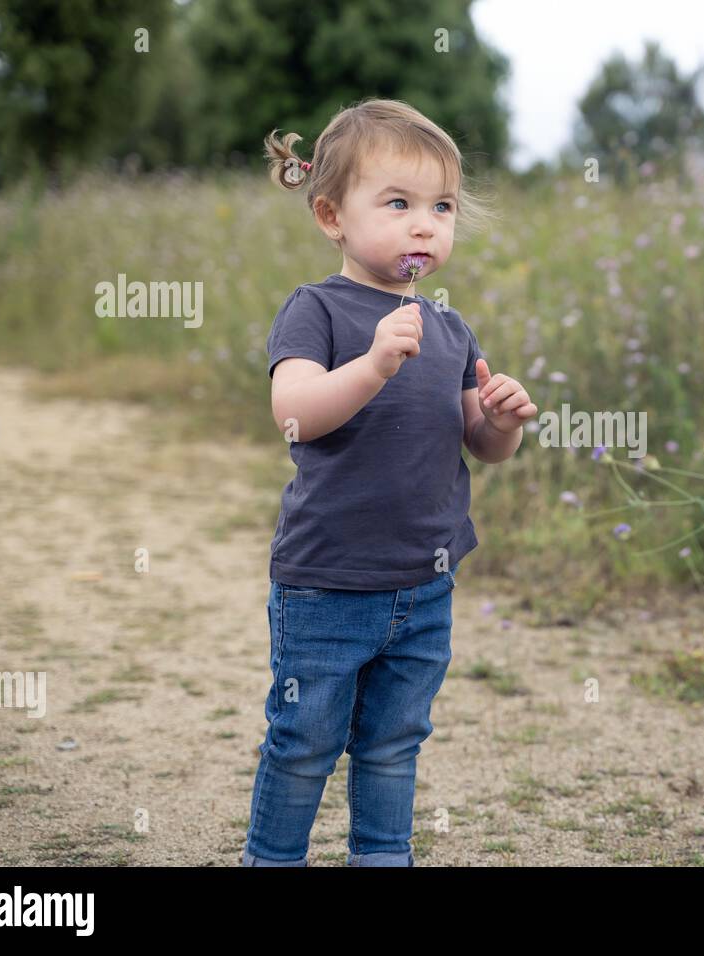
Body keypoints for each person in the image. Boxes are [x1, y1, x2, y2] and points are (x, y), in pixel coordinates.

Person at [241, 98, 537, 866]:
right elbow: (297, 415)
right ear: (332, 216)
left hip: (425, 583)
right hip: (327, 584)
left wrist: (502, 421)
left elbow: (478, 441)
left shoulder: (449, 328)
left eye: (441, 207)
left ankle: (383, 854)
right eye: (398, 203)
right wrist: (371, 365)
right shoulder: (317, 311)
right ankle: (272, 857)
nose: (424, 225)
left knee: (394, 742)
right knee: (305, 740)